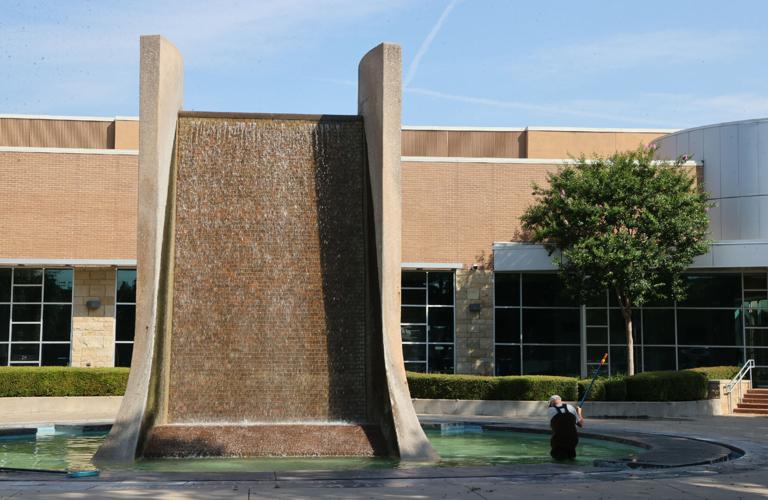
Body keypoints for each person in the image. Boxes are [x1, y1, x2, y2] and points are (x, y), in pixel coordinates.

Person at [547, 394, 584, 460]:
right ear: (561, 400)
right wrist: (579, 413)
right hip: (572, 439)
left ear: (551, 402)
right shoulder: (571, 407)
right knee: (571, 458)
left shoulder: (550, 410)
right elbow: (580, 424)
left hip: (558, 440)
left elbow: (553, 426)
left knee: (557, 460)